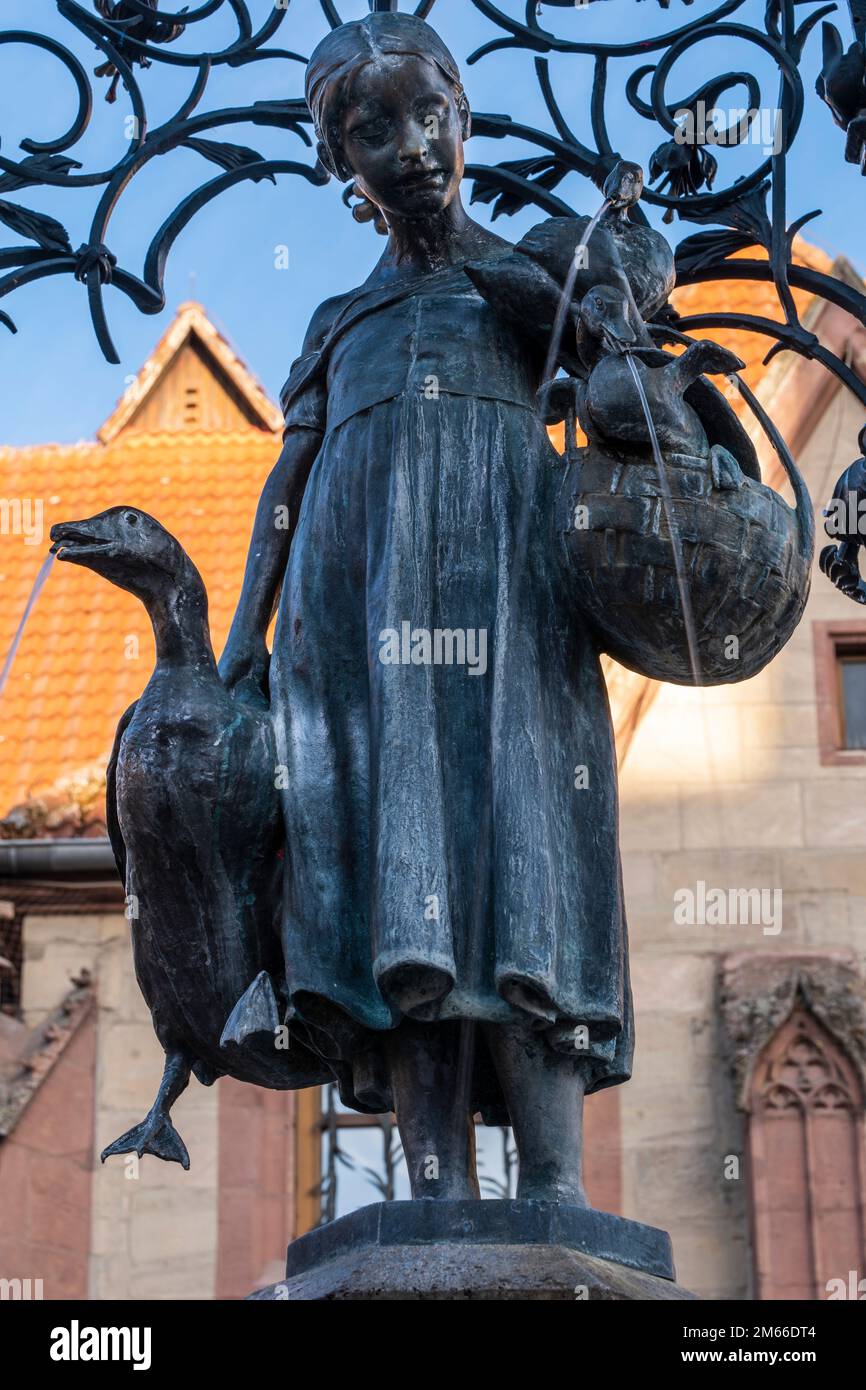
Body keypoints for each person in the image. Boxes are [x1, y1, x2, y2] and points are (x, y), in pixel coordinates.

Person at [220, 10, 661, 1205]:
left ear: (460, 123)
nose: (408, 145)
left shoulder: (519, 283)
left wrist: (614, 296)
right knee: (395, 886)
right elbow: (282, 492)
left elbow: (628, 393)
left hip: (511, 628)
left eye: (430, 117)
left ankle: (557, 1190)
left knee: (525, 866)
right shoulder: (335, 324)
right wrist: (233, 652)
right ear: (339, 164)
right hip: (355, 642)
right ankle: (428, 1192)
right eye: (373, 130)